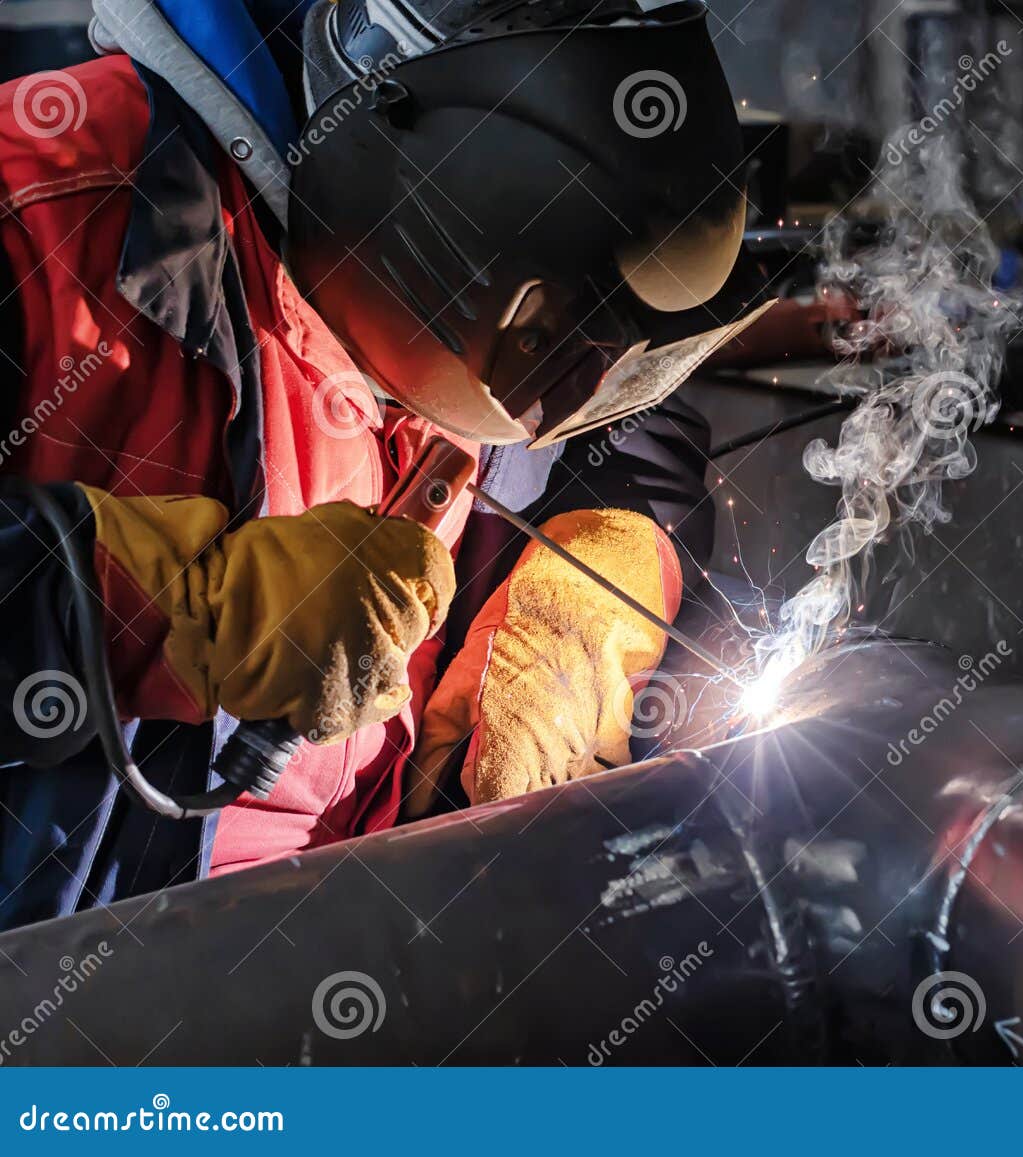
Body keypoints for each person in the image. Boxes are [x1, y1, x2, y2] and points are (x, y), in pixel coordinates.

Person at [0, 0, 751, 930]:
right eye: (540, 337)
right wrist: (167, 610)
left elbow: (623, 412)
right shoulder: (39, 219)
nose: (562, 387)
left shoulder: (510, 255)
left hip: (359, 960)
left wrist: (601, 555)